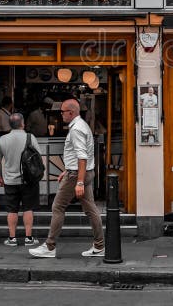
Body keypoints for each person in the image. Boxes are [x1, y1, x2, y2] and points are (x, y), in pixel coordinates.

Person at [30, 99, 105, 258]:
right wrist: (67, 170)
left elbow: (82, 156)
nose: (60, 114)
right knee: (91, 209)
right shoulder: (82, 125)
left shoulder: (76, 129)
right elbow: (81, 156)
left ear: (71, 113)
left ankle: (49, 247)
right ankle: (99, 246)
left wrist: (78, 180)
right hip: (83, 172)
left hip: (77, 174)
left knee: (58, 207)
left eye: (63, 111)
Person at [0, 112, 41, 247]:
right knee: (28, 208)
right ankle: (28, 238)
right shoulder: (30, 137)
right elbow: (38, 156)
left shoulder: (3, 139)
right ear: (23, 123)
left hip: (10, 181)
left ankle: (12, 238)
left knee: (12, 210)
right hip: (28, 180)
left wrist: (0, 177)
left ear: (10, 125)